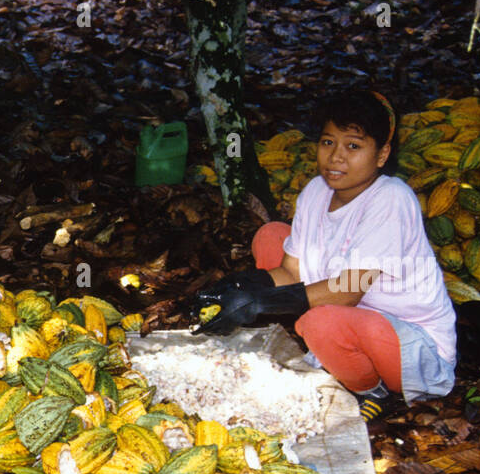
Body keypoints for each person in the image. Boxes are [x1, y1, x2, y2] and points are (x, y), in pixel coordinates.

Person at [194, 89, 457, 422]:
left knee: (320, 321)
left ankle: (370, 389)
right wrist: (240, 287)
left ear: (382, 154)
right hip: (347, 316)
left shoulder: (392, 198)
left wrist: (261, 303)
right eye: (328, 142)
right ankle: (328, 348)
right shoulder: (316, 191)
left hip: (413, 344)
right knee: (273, 236)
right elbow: (291, 271)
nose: (336, 157)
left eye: (353, 146)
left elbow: (350, 289)